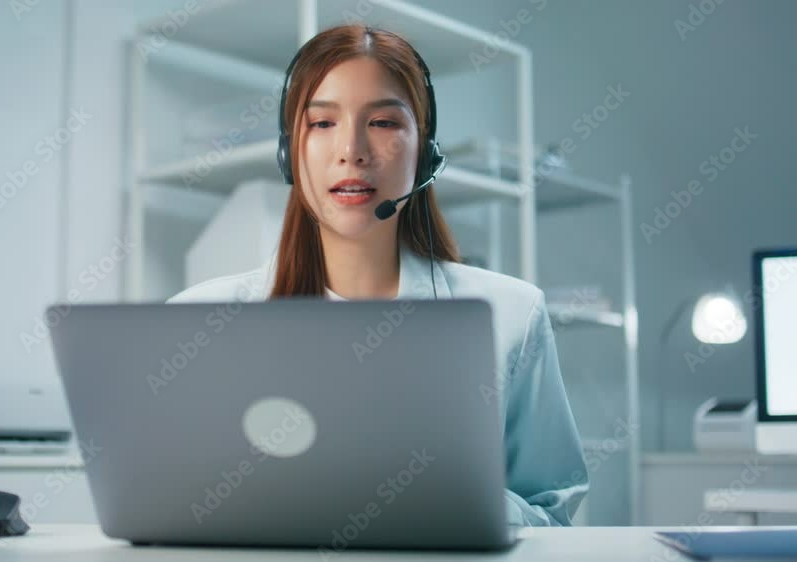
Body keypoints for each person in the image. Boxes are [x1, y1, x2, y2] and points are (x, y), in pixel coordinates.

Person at [167, 24, 588, 526]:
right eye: (321, 123)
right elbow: (169, 506)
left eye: (384, 122)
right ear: (289, 154)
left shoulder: (512, 315)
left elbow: (554, 514)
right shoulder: (198, 320)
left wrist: (452, 504)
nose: (353, 150)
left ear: (426, 153)